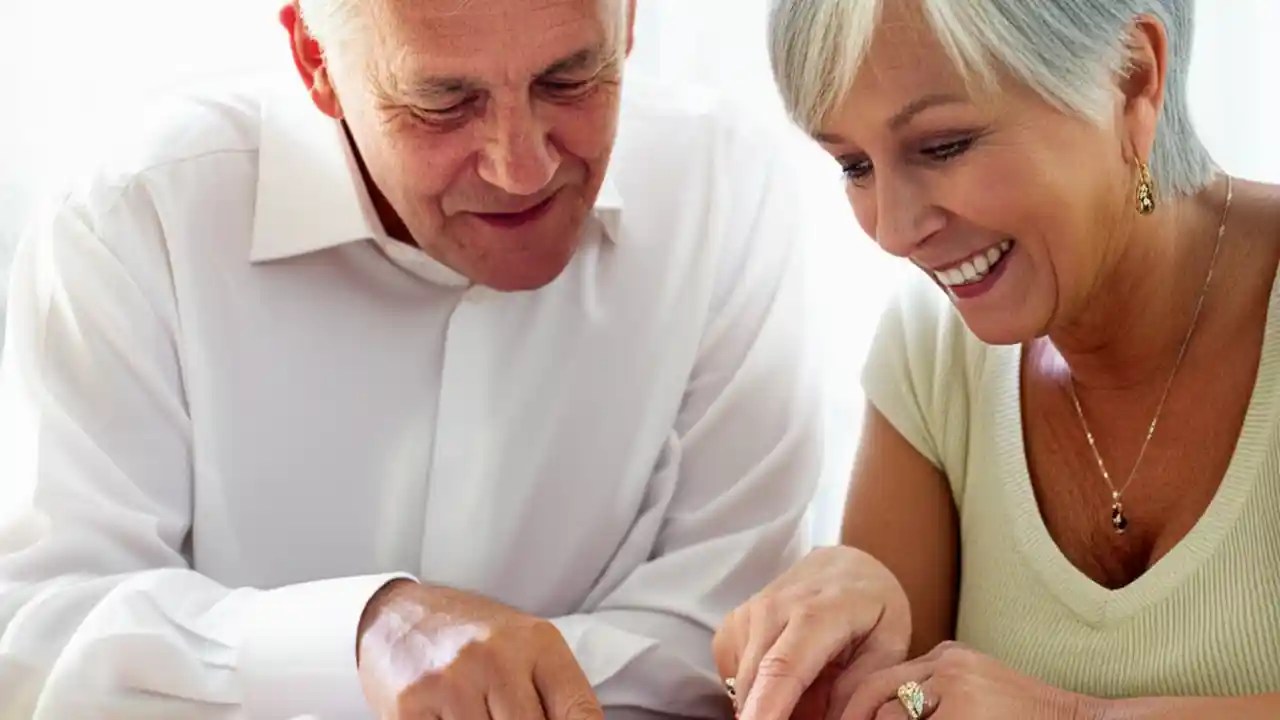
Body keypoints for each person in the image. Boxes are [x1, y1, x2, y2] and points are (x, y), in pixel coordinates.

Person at [0, 0, 846, 717]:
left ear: (626, 22)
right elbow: (38, 636)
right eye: (443, 101)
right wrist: (363, 633)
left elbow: (734, 634)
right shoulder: (133, 223)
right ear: (313, 59)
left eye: (569, 80)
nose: (521, 168)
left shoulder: (724, 191)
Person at [713, 0, 1280, 718]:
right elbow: (895, 697)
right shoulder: (933, 355)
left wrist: (1075, 716)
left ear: (1132, 80)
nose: (892, 230)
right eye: (854, 165)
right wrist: (810, 662)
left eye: (943, 146)